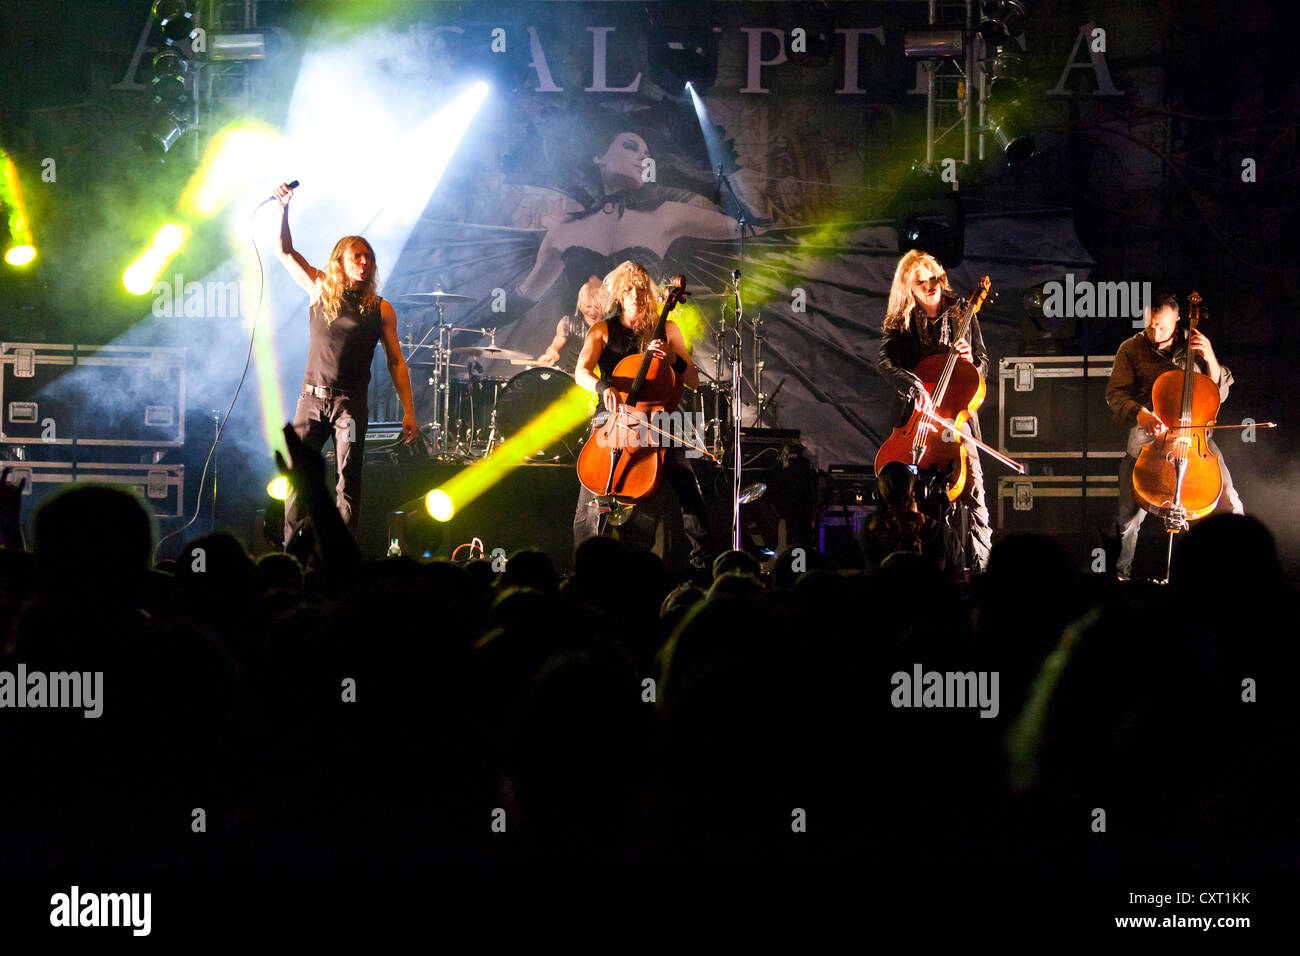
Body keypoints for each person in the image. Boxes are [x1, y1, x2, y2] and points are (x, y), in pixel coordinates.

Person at [272, 182, 417, 557]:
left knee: (347, 481)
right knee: (299, 477)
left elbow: (396, 362)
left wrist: (409, 412)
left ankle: (339, 558)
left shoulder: (381, 309)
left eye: (369, 257)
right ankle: (294, 556)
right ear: (341, 260)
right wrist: (284, 209)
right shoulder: (320, 287)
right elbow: (285, 251)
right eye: (357, 256)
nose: (365, 263)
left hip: (349, 407)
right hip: (312, 401)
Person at [572, 261, 713, 571]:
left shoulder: (668, 330)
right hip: (614, 415)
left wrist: (673, 359)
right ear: (619, 296)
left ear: (649, 295)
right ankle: (586, 563)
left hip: (658, 419)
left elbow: (693, 380)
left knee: (686, 478)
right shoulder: (603, 330)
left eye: (640, 290)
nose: (635, 295)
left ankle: (703, 560)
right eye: (628, 290)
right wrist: (602, 385)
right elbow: (580, 372)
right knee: (592, 489)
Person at [1104, 288, 1243, 580]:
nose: (1155, 332)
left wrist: (1211, 359)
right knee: (1127, 519)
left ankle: (1243, 574)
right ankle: (1119, 578)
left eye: (1163, 326)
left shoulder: (1196, 345)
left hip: (1196, 442)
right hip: (1149, 440)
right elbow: (1115, 394)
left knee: (1231, 504)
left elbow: (1218, 393)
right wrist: (1140, 414)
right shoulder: (1130, 348)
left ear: (1178, 320)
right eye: (1150, 325)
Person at [877, 250, 992, 573]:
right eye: (920, 282)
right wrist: (914, 387)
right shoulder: (900, 322)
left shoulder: (963, 312)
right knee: (910, 495)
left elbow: (984, 363)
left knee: (974, 494)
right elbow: (884, 363)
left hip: (954, 418)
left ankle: (980, 569)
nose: (929, 286)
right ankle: (911, 566)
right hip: (916, 418)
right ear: (909, 288)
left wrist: (971, 361)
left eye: (934, 279)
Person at [858, 461, 961, 577]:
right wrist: (943, 520)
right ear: (919, 492)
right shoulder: (941, 533)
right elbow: (957, 581)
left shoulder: (870, 530)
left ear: (878, 497)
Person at [535, 275, 605, 373]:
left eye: (597, 307)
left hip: (601, 382)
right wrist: (550, 356)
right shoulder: (568, 323)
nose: (592, 312)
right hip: (573, 378)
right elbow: (554, 347)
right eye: (588, 306)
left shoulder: (611, 327)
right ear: (581, 305)